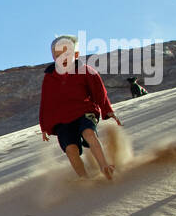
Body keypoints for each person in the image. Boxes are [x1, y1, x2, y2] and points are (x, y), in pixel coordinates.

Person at [39, 35, 122, 180]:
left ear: (76, 55)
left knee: (89, 133)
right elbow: (46, 102)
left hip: (84, 111)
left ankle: (104, 166)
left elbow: (99, 92)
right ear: (53, 57)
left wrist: (108, 110)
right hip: (62, 120)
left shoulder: (86, 70)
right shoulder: (49, 77)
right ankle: (84, 179)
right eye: (57, 55)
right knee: (71, 149)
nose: (62, 58)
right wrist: (44, 126)